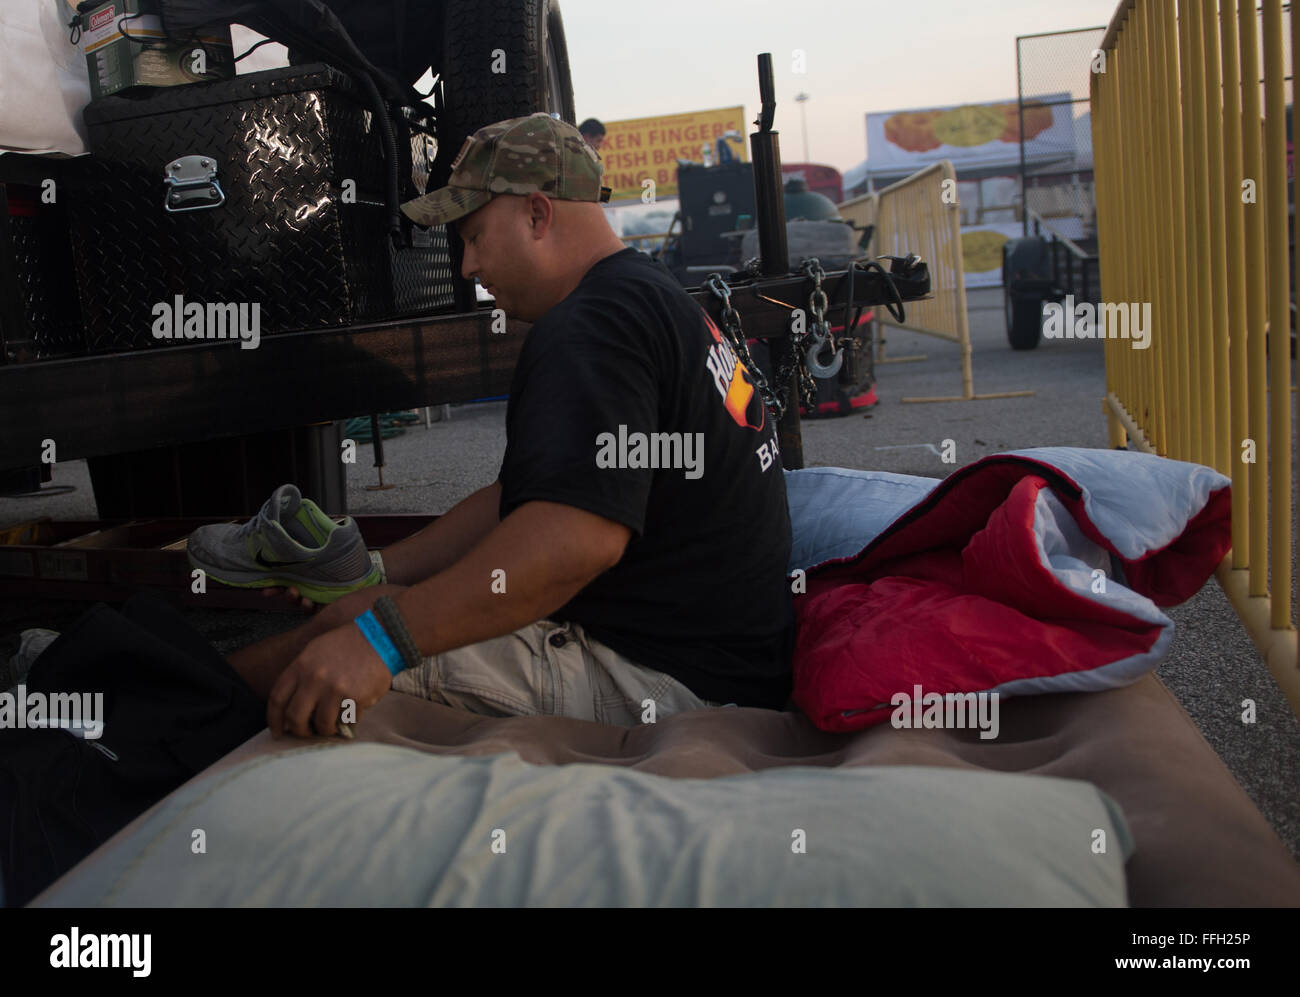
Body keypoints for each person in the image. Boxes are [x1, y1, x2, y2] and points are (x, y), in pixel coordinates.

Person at [225, 113, 794, 738]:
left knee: (346, 637)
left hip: (665, 682)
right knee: (364, 606)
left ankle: (172, 722)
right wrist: (378, 572)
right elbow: (526, 501)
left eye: (474, 236)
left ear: (538, 214)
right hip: (725, 663)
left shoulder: (590, 328)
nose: (468, 266)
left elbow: (577, 539)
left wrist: (381, 645)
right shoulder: (650, 296)